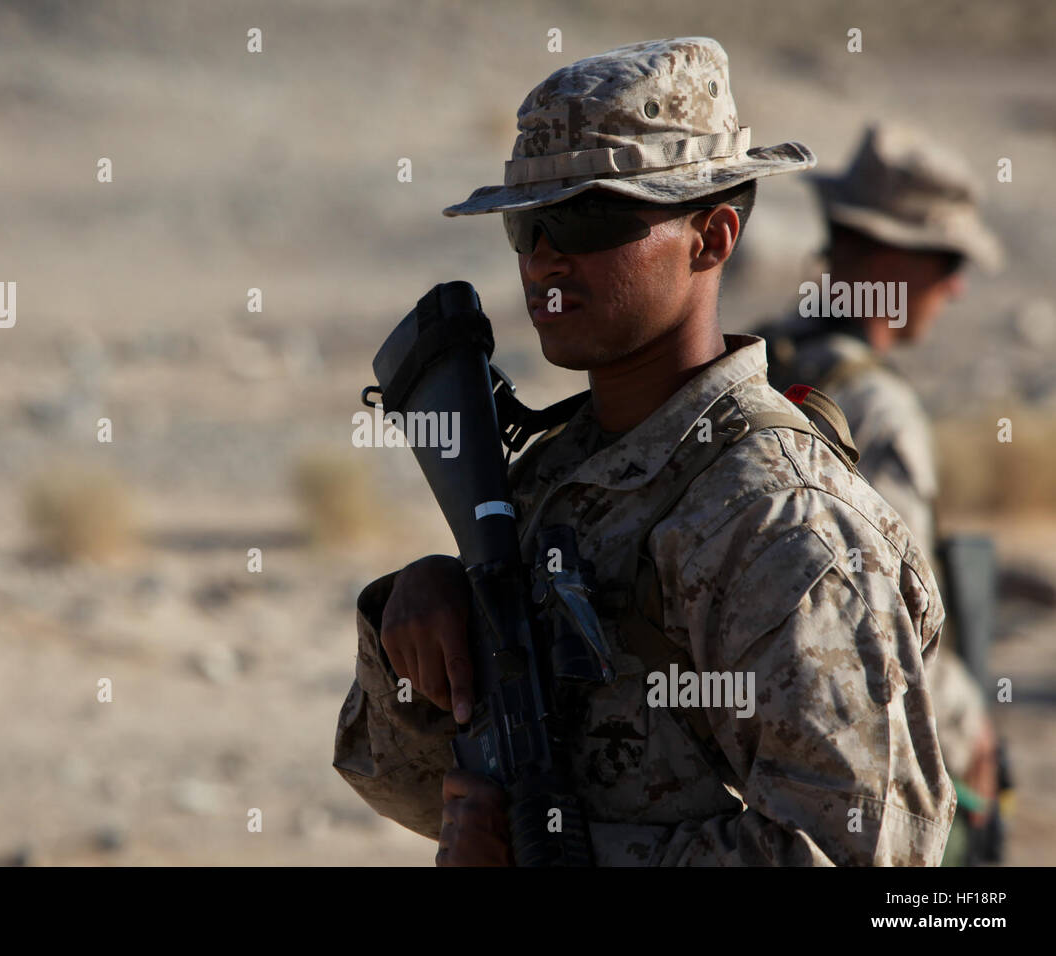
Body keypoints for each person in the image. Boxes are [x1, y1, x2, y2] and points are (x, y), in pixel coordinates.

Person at [333, 38, 955, 865]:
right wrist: (413, 619)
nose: (548, 256)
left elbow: (859, 852)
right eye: (530, 225)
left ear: (713, 236)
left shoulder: (785, 523)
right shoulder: (555, 477)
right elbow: (397, 780)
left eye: (592, 217)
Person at [753, 124, 1005, 864]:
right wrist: (968, 733)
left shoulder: (757, 361)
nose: (957, 287)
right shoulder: (877, 409)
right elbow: (903, 618)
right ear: (895, 258)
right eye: (949, 262)